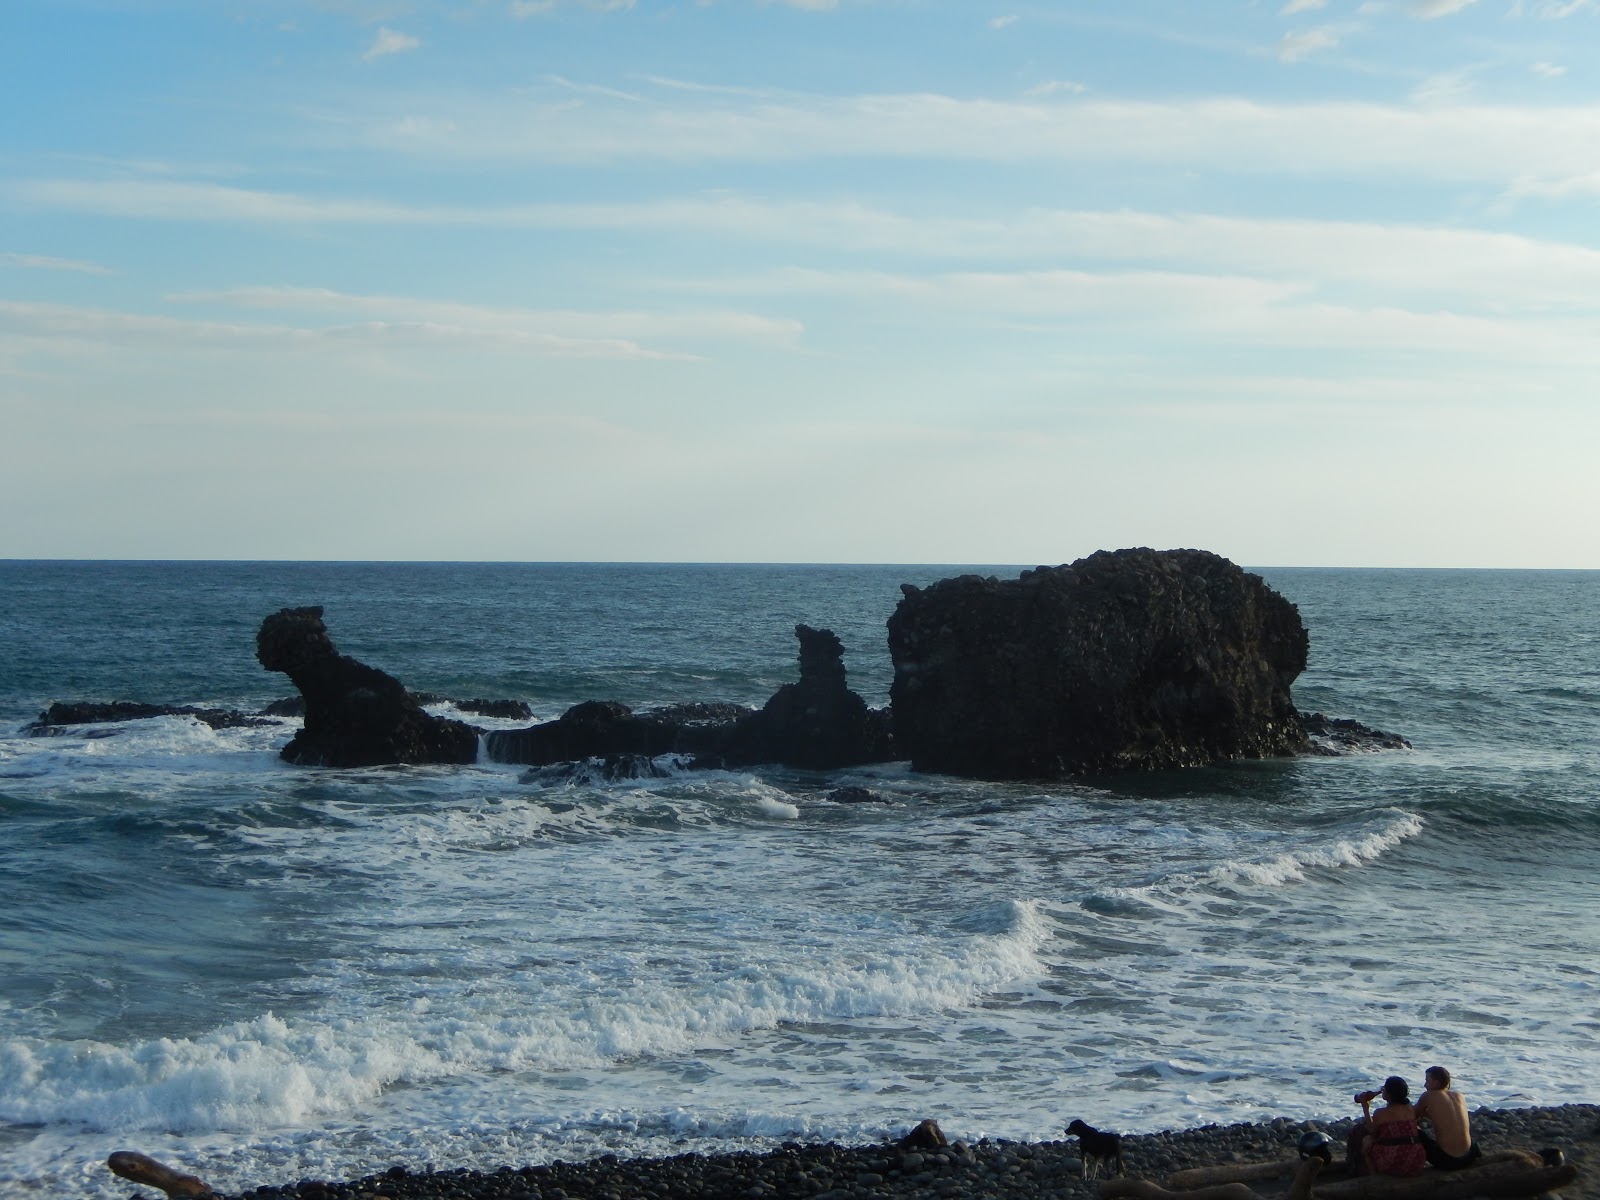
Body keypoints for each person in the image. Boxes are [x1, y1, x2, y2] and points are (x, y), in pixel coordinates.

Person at [1351, 1076, 1427, 1177]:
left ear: (1389, 1094)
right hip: (1417, 1159)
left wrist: (1365, 1108)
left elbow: (1372, 1132)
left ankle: (1373, 1177)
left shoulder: (1381, 1113)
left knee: (1367, 1141)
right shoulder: (1410, 1108)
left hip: (1393, 1161)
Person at [1413, 1065, 1483, 1170]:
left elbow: (1411, 1116)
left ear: (1436, 1083)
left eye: (1427, 1081)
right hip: (1470, 1155)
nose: (1425, 1085)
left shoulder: (1428, 1095)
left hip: (1448, 1160)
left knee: (1414, 1129)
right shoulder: (1459, 1095)